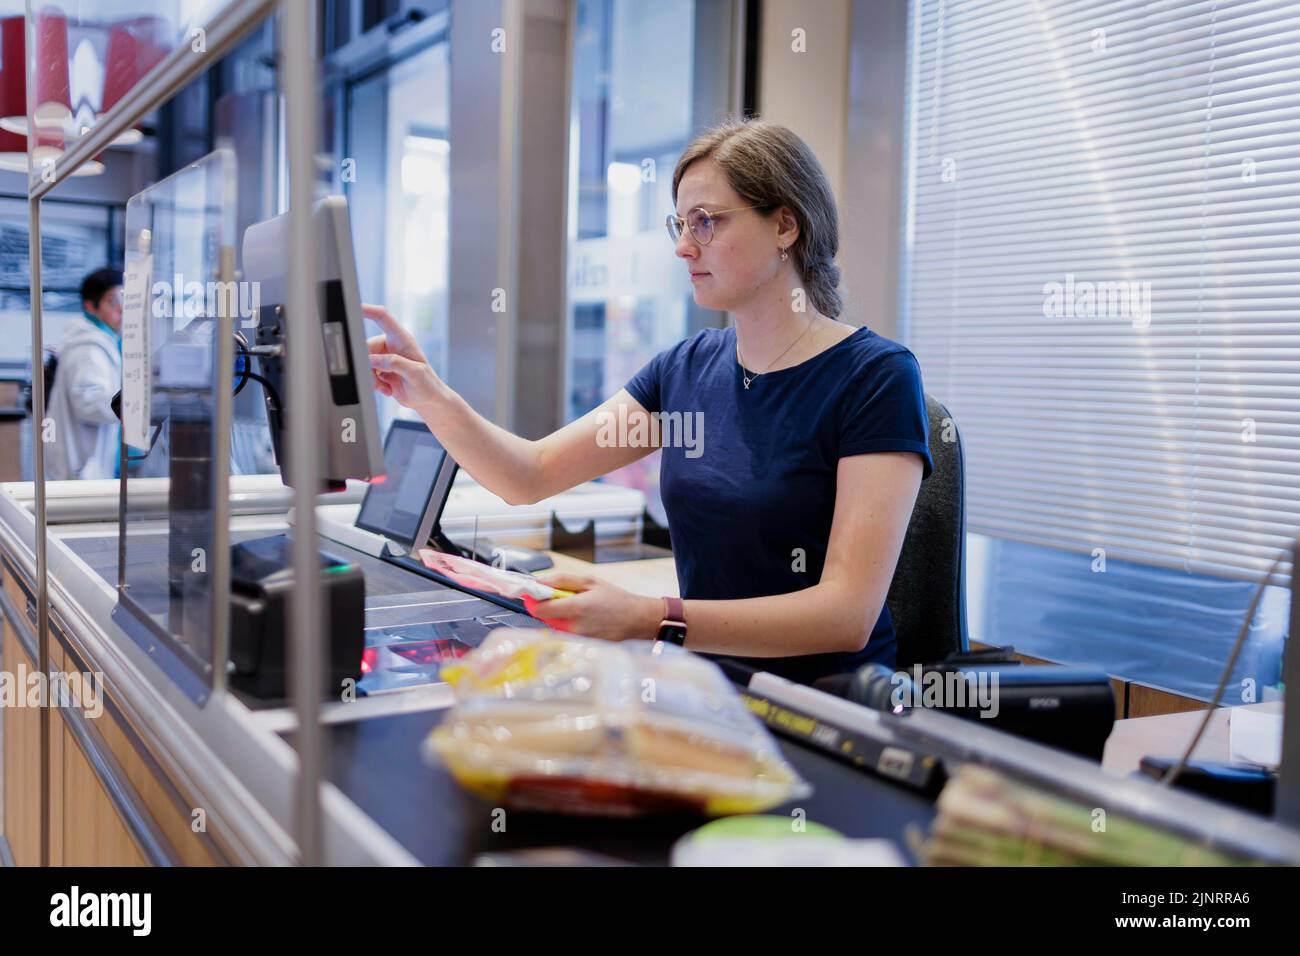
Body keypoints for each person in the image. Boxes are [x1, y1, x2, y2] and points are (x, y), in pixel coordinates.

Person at [367, 118, 932, 685]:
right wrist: (429, 393)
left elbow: (846, 616)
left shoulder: (875, 378)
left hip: (821, 707)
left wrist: (655, 617)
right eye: (681, 225)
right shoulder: (687, 370)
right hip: (707, 688)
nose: (685, 247)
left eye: (707, 222)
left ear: (785, 225)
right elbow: (528, 474)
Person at [45, 268, 124, 480]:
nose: (122, 310)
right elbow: (88, 401)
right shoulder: (87, 347)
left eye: (126, 300)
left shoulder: (102, 341)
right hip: (83, 465)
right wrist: (131, 403)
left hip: (87, 462)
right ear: (91, 306)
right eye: (113, 302)